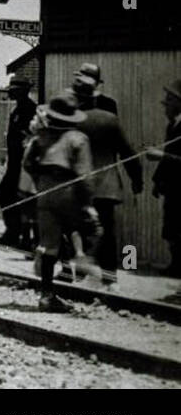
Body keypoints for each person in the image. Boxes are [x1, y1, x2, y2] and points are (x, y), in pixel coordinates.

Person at [22, 93, 96, 312]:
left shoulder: (40, 137)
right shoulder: (78, 138)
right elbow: (85, 175)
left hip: (45, 191)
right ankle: (84, 266)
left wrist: (40, 181)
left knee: (49, 244)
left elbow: (27, 163)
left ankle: (46, 295)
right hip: (69, 190)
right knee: (88, 228)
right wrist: (88, 203)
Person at [72, 78, 143, 287]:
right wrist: (136, 179)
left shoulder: (73, 120)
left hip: (80, 186)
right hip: (107, 186)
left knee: (78, 229)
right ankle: (110, 277)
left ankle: (76, 275)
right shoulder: (110, 119)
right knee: (108, 232)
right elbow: (127, 152)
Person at [145, 79, 181, 277]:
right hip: (173, 186)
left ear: (178, 102)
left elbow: (170, 157)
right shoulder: (172, 126)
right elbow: (168, 157)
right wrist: (157, 181)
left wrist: (161, 156)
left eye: (168, 101)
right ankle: (176, 265)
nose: (164, 105)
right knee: (171, 227)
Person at [0, 78, 38, 247]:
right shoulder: (17, 110)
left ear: (23, 91)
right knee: (7, 193)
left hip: (24, 162)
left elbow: (29, 135)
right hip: (14, 161)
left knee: (11, 194)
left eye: (14, 89)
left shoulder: (30, 109)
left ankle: (18, 234)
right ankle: (14, 231)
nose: (10, 92)